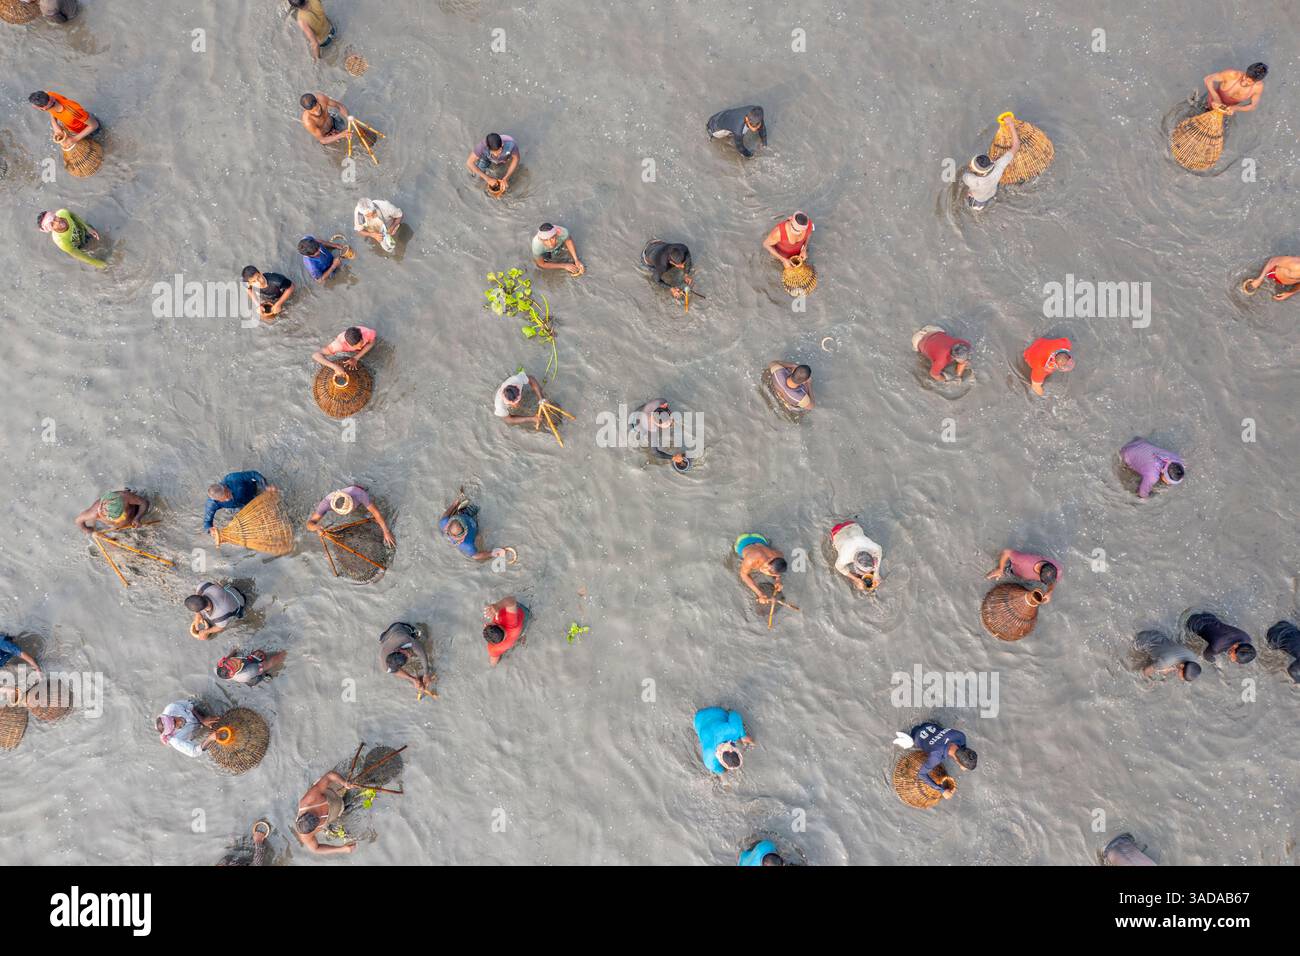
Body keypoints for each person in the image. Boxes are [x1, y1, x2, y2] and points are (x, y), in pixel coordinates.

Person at [305, 484, 394, 547]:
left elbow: (376, 513)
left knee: (375, 514)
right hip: (347, 497)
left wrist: (386, 531)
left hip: (357, 492)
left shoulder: (359, 494)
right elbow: (309, 524)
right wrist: (317, 527)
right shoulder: (326, 503)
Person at [295, 770, 360, 855]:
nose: (320, 815)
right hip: (338, 810)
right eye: (318, 820)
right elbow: (316, 849)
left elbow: (329, 776)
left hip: (333, 790)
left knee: (356, 776)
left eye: (316, 814)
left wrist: (344, 783)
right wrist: (342, 849)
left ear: (307, 812)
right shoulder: (306, 835)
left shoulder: (309, 800)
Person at [962, 114, 1019, 210]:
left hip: (979, 198)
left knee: (973, 203)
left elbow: (967, 183)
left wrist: (969, 193)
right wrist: (1011, 125)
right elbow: (1016, 146)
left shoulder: (969, 178)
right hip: (992, 191)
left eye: (971, 166)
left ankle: (977, 208)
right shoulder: (999, 166)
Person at [908, 721, 977, 798]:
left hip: (928, 725)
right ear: (957, 761)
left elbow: (962, 748)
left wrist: (962, 762)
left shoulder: (960, 736)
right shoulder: (936, 756)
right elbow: (921, 774)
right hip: (915, 736)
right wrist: (942, 790)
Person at [202, 470, 269, 541]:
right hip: (240, 505)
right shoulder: (212, 503)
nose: (228, 498)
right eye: (224, 499)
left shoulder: (233, 479)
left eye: (227, 494)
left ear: (225, 487)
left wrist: (266, 486)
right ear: (217, 500)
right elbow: (207, 522)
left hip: (253, 490)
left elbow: (254, 474)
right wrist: (210, 530)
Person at [632, 399, 690, 470]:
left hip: (646, 409)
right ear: (657, 424)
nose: (670, 423)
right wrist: (673, 457)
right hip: (638, 422)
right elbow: (655, 453)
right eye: (667, 424)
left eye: (670, 420)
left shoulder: (662, 402)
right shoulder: (651, 430)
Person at [379, 622, 436, 694]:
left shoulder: (406, 639)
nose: (409, 656)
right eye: (407, 656)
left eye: (406, 655)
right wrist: (413, 679)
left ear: (399, 650)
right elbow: (394, 671)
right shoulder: (384, 664)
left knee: (421, 636)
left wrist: (426, 674)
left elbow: (422, 653)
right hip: (386, 638)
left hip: (399, 628)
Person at [37, 209, 105, 269]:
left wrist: (87, 228)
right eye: (52, 224)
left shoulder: (63, 213)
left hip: (84, 231)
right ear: (51, 229)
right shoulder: (61, 241)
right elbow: (81, 256)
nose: (58, 222)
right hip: (80, 246)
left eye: (55, 218)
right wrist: (101, 265)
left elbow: (73, 216)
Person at [438, 494, 499, 562]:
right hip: (474, 523)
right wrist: (492, 553)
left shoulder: (443, 523)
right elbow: (475, 556)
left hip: (465, 514)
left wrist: (454, 504)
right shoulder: (467, 546)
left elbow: (446, 514)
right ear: (465, 533)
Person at [693, 706, 754, 774]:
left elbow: (733, 713)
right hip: (698, 719)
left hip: (701, 716)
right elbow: (720, 771)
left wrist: (743, 735)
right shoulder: (709, 762)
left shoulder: (734, 730)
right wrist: (742, 735)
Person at [1120, 438, 1185, 499]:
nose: (1168, 483)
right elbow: (1142, 494)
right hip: (1125, 455)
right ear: (1163, 472)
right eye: (1168, 481)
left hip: (1139, 442)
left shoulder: (1175, 458)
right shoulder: (1152, 476)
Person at [830, 520, 882, 591]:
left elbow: (879, 551)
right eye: (863, 571)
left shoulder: (875, 548)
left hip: (852, 525)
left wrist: (876, 573)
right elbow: (838, 567)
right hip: (837, 531)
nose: (867, 573)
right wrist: (856, 579)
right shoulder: (845, 557)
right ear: (854, 563)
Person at [1187, 612, 1256, 665]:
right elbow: (1206, 655)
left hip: (1211, 617)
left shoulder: (1247, 638)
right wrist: (1215, 663)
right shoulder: (1217, 646)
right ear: (1235, 646)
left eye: (1236, 660)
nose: (1232, 660)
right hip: (1196, 624)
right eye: (1234, 658)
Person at [736, 533, 786, 604]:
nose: (764, 569)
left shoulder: (778, 555)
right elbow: (743, 574)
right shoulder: (751, 559)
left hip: (760, 538)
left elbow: (778, 572)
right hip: (742, 541)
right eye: (766, 568)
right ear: (770, 560)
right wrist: (759, 594)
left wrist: (778, 580)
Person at [28, 90, 98, 142]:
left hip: (88, 129)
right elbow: (52, 110)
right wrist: (55, 125)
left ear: (43, 109)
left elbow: (94, 125)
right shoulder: (49, 96)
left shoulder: (73, 111)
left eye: (35, 106)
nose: (32, 106)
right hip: (74, 124)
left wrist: (74, 139)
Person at [1135, 629, 1201, 682]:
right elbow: (1145, 671)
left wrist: (1167, 669)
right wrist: (1146, 680)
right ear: (1182, 666)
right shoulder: (1165, 663)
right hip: (1143, 640)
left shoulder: (1192, 656)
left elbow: (1174, 664)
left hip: (1159, 635)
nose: (1182, 679)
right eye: (1183, 677)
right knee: (1134, 664)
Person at [312, 326, 377, 379]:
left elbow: (372, 342)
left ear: (362, 337)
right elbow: (316, 355)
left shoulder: (368, 333)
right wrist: (335, 367)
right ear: (347, 344)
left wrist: (356, 357)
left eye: (362, 343)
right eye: (355, 347)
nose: (360, 348)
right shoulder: (339, 345)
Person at [74, 489, 150, 535]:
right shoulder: (94, 513)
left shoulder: (125, 497)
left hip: (133, 517)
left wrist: (138, 517)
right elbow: (78, 520)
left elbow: (144, 503)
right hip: (113, 528)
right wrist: (86, 530)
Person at [984, 548, 1060, 590]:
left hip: (1026, 579)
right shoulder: (1024, 561)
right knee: (987, 580)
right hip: (1012, 570)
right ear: (1038, 571)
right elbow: (1007, 552)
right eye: (1043, 580)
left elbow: (1053, 581)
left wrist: (1049, 592)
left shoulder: (1057, 569)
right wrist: (1000, 569)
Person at [482, 597, 526, 666]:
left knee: (519, 637)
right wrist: (497, 606)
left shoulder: (494, 649)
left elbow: (493, 663)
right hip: (523, 615)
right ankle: (521, 637)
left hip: (512, 640)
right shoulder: (511, 624)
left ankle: (520, 639)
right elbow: (512, 600)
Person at [216, 650, 285, 687]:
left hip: (241, 674)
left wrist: (235, 650)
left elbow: (228, 658)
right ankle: (265, 676)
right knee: (262, 671)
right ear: (232, 674)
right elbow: (270, 663)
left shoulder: (220, 667)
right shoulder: (249, 671)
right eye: (236, 663)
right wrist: (285, 653)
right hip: (252, 676)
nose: (237, 660)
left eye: (231, 660)